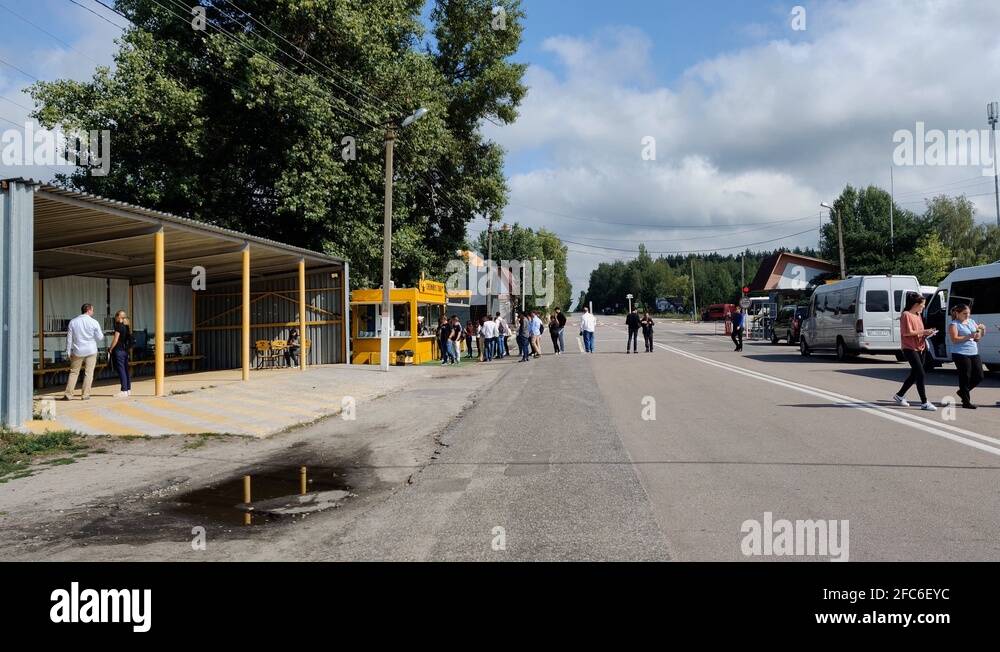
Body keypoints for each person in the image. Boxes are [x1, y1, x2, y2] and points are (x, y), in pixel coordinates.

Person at [893, 292, 937, 411]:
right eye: (922, 304)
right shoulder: (906, 315)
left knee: (915, 374)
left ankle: (899, 395)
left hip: (920, 346)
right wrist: (924, 331)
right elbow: (906, 333)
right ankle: (924, 402)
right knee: (920, 373)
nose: (923, 306)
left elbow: (919, 331)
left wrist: (928, 333)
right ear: (916, 304)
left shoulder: (918, 315)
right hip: (909, 348)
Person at [63, 303, 105, 401]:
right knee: (89, 373)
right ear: (89, 310)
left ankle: (68, 394)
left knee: (73, 372)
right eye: (92, 310)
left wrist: (68, 351)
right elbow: (100, 337)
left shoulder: (73, 322)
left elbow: (69, 338)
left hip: (78, 350)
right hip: (91, 350)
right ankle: (85, 395)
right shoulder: (94, 322)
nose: (93, 312)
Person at [947, 303, 985, 409]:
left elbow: (977, 337)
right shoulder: (954, 324)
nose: (967, 315)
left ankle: (962, 392)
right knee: (965, 376)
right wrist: (969, 336)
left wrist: (981, 331)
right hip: (960, 353)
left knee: (979, 376)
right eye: (965, 313)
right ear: (957, 313)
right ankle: (966, 402)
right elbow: (954, 339)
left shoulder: (971, 322)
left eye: (968, 313)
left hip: (973, 352)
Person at [108, 309, 133, 398]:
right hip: (125, 351)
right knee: (126, 370)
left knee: (121, 370)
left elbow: (116, 339)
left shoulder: (118, 326)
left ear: (118, 317)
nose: (115, 319)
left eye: (116, 317)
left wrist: (111, 348)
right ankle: (128, 389)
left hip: (118, 350)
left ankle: (123, 390)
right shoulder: (126, 326)